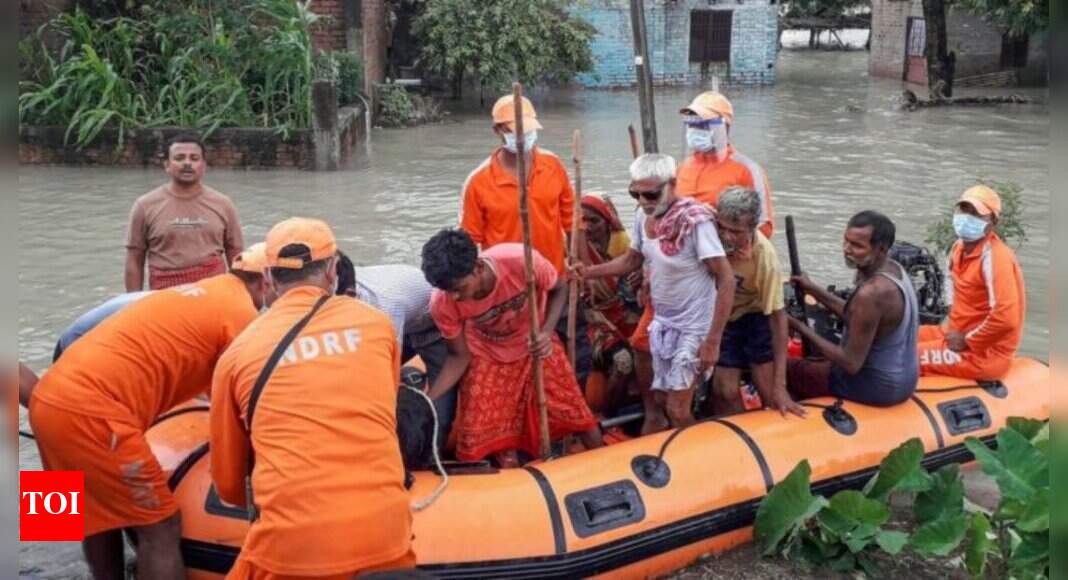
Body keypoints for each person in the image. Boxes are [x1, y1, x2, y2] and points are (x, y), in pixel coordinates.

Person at [28, 245, 268, 580]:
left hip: (49, 395)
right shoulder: (242, 315)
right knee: (160, 526)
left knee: (89, 517)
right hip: (93, 408)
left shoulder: (206, 292)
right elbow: (249, 404)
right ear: (266, 281)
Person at [211, 218, 415, 578]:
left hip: (294, 552)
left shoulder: (236, 346)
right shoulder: (377, 325)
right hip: (387, 535)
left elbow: (229, 486)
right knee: (138, 523)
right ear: (334, 270)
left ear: (269, 279)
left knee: (114, 521)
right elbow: (385, 408)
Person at [572, 154, 735, 431]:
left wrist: (712, 341)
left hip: (695, 325)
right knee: (660, 398)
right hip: (664, 321)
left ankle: (701, 458)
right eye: (635, 194)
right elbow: (632, 259)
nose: (643, 201)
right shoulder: (641, 215)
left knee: (677, 408)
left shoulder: (695, 222)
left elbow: (726, 280)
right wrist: (586, 272)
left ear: (671, 185)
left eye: (650, 194)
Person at [420, 229, 602, 467]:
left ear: (477, 267)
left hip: (534, 344)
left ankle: (604, 460)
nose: (454, 297)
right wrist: (429, 399)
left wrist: (546, 331)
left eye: (459, 288)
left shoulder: (521, 261)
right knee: (478, 434)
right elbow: (458, 356)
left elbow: (559, 289)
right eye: (447, 291)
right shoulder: (442, 303)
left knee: (576, 412)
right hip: (486, 353)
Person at [458, 94, 592, 387]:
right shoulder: (479, 181)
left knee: (575, 348)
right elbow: (469, 243)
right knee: (522, 361)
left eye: (528, 131)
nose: (523, 138)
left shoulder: (552, 165)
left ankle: (576, 410)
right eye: (515, 131)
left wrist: (581, 264)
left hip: (556, 276)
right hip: (512, 292)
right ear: (498, 132)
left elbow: (572, 219)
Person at [786, 211, 919, 406]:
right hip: (904, 381)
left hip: (876, 387)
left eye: (857, 246)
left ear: (880, 249)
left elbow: (850, 363)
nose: (847, 250)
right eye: (846, 241)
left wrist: (796, 325)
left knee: (787, 367)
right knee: (817, 360)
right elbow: (854, 313)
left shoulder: (873, 292)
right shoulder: (894, 269)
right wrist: (812, 288)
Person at [336, 256, 455, 446]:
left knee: (440, 406)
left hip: (433, 326)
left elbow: (386, 376)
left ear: (349, 295)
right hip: (406, 319)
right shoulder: (340, 280)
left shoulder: (385, 307)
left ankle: (433, 453)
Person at [711, 187, 804, 418]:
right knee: (725, 391)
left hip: (754, 314)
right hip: (722, 316)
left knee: (769, 390)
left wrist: (780, 385)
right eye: (722, 227)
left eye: (736, 231)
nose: (726, 236)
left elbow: (777, 316)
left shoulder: (764, 256)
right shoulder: (707, 234)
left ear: (751, 229)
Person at [917, 185, 1025, 379]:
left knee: (901, 358)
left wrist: (967, 340)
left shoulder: (996, 258)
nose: (967, 217)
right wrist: (953, 312)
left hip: (985, 354)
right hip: (954, 332)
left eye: (977, 214)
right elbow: (952, 281)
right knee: (899, 337)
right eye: (964, 210)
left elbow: (1006, 318)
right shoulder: (958, 247)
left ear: (993, 222)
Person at [125, 132, 244, 291]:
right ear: (167, 164)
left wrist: (243, 295)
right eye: (179, 158)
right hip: (164, 294)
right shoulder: (145, 205)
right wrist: (133, 302)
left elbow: (237, 255)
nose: (187, 163)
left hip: (214, 293)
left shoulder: (223, 204)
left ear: (203, 165)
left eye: (194, 159)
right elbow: (134, 259)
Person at [676, 91, 775, 238]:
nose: (696, 129)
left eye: (704, 124)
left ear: (725, 127)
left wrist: (725, 245)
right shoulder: (682, 167)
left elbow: (764, 226)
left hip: (729, 256)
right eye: (693, 123)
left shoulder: (747, 170)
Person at [578, 194, 642, 413]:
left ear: (607, 222)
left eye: (593, 221)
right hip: (591, 321)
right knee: (623, 360)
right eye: (582, 221)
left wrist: (641, 277)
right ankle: (606, 415)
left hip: (625, 313)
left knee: (647, 349)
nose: (587, 227)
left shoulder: (626, 248)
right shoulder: (574, 251)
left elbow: (635, 297)